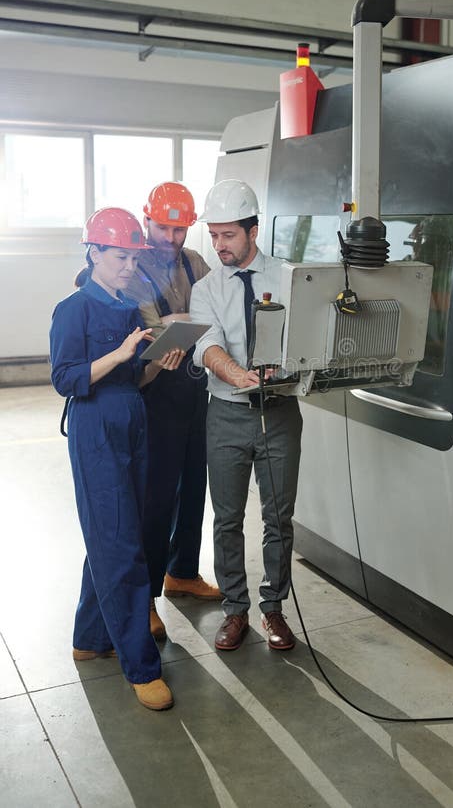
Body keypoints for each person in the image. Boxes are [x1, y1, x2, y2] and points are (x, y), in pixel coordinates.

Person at [49, 207, 185, 711]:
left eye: (134, 257)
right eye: (121, 256)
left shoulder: (129, 309)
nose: (130, 266)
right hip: (95, 429)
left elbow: (135, 379)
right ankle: (141, 666)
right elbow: (66, 379)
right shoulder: (73, 309)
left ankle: (89, 638)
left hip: (132, 421)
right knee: (121, 545)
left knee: (116, 531)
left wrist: (157, 362)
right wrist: (122, 354)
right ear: (94, 252)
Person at [189, 179, 303, 652]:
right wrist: (237, 375)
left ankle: (273, 608)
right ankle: (235, 611)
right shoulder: (206, 289)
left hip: (278, 414)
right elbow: (206, 343)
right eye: (213, 236)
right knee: (227, 518)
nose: (219, 246)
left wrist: (289, 363)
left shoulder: (292, 278)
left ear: (253, 231)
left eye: (228, 236)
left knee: (279, 519)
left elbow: (307, 332)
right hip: (227, 415)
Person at [125, 182, 220, 642]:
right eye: (163, 227)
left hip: (194, 389)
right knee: (156, 497)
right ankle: (143, 598)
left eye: (180, 229)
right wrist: (179, 324)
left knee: (193, 485)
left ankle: (182, 571)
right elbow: (146, 330)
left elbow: (214, 307)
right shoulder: (132, 266)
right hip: (155, 393)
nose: (171, 237)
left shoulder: (194, 262)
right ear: (148, 222)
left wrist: (183, 326)